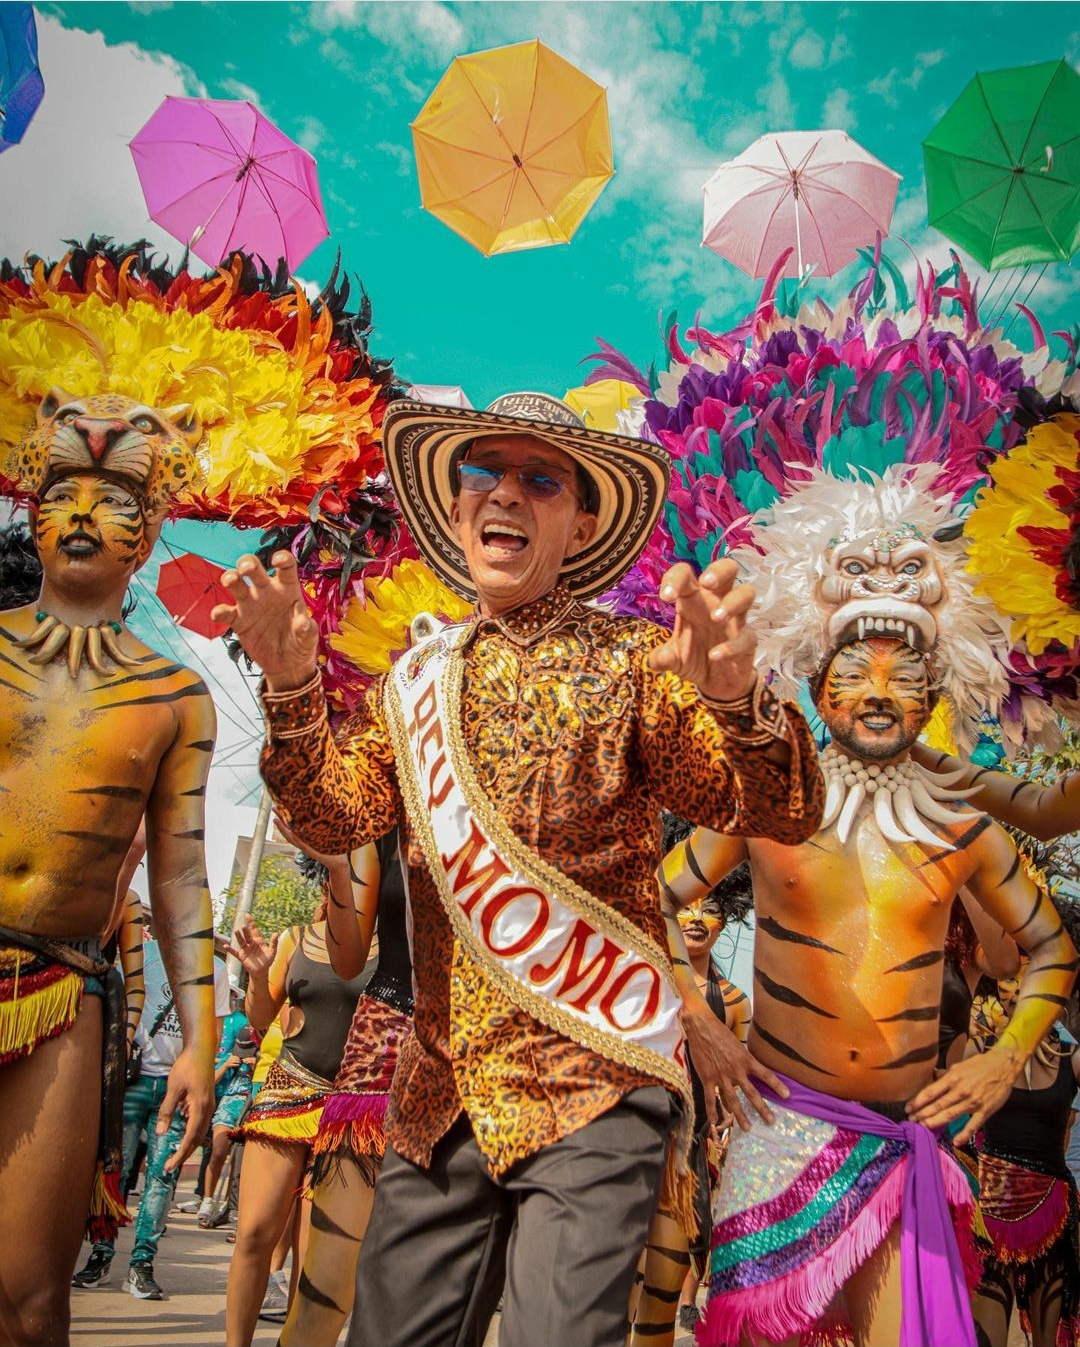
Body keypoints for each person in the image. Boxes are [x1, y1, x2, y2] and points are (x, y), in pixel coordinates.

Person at [215, 391, 824, 1347]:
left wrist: (740, 701)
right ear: (456, 505)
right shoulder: (412, 683)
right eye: (482, 472)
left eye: (541, 480)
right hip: (439, 1093)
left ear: (580, 524)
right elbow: (333, 813)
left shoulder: (639, 662)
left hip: (595, 1078)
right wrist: (293, 687)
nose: (505, 493)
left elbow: (779, 809)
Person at [0, 391, 219, 1345]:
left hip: (60, 995)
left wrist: (202, 1043)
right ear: (31, 512)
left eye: (115, 498)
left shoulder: (177, 695)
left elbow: (180, 878)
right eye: (63, 492)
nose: (84, 512)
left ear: (151, 531)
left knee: (30, 1302)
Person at [225, 877, 373, 1347]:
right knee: (254, 1234)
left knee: (313, 1266)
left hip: (349, 1112)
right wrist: (256, 975)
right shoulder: (295, 939)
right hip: (287, 1093)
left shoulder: (392, 949)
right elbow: (260, 1019)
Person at [279, 829, 413, 1347]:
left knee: (418, 1294)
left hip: (501, 1058)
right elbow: (349, 960)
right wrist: (338, 870)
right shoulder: (388, 814)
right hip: (383, 1050)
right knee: (325, 1291)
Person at [628, 853, 752, 1347]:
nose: (698, 918)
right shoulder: (639, 977)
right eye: (688, 906)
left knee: (660, 1297)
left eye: (712, 907)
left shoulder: (735, 1002)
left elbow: (740, 1076)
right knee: (615, 1292)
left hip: (689, 1159)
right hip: (633, 1146)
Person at [968, 974, 1080, 1347]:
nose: (1017, 998)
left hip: (1052, 1216)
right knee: (986, 1340)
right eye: (1009, 992)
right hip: (992, 1216)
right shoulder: (979, 1051)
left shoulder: (1072, 1058)